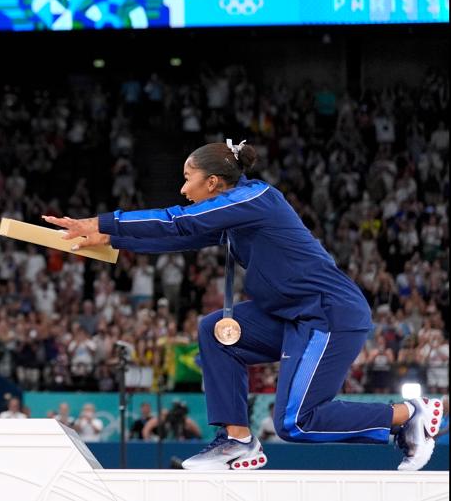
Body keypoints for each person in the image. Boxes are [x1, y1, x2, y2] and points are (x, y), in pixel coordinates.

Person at [44, 140, 441, 471]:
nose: (182, 188)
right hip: (292, 316)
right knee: (214, 332)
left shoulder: (256, 198)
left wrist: (101, 223)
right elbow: (181, 237)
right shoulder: (235, 212)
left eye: (188, 178)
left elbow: (178, 221)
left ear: (212, 182)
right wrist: (110, 240)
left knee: (296, 422)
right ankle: (237, 441)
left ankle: (409, 415)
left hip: (328, 314)